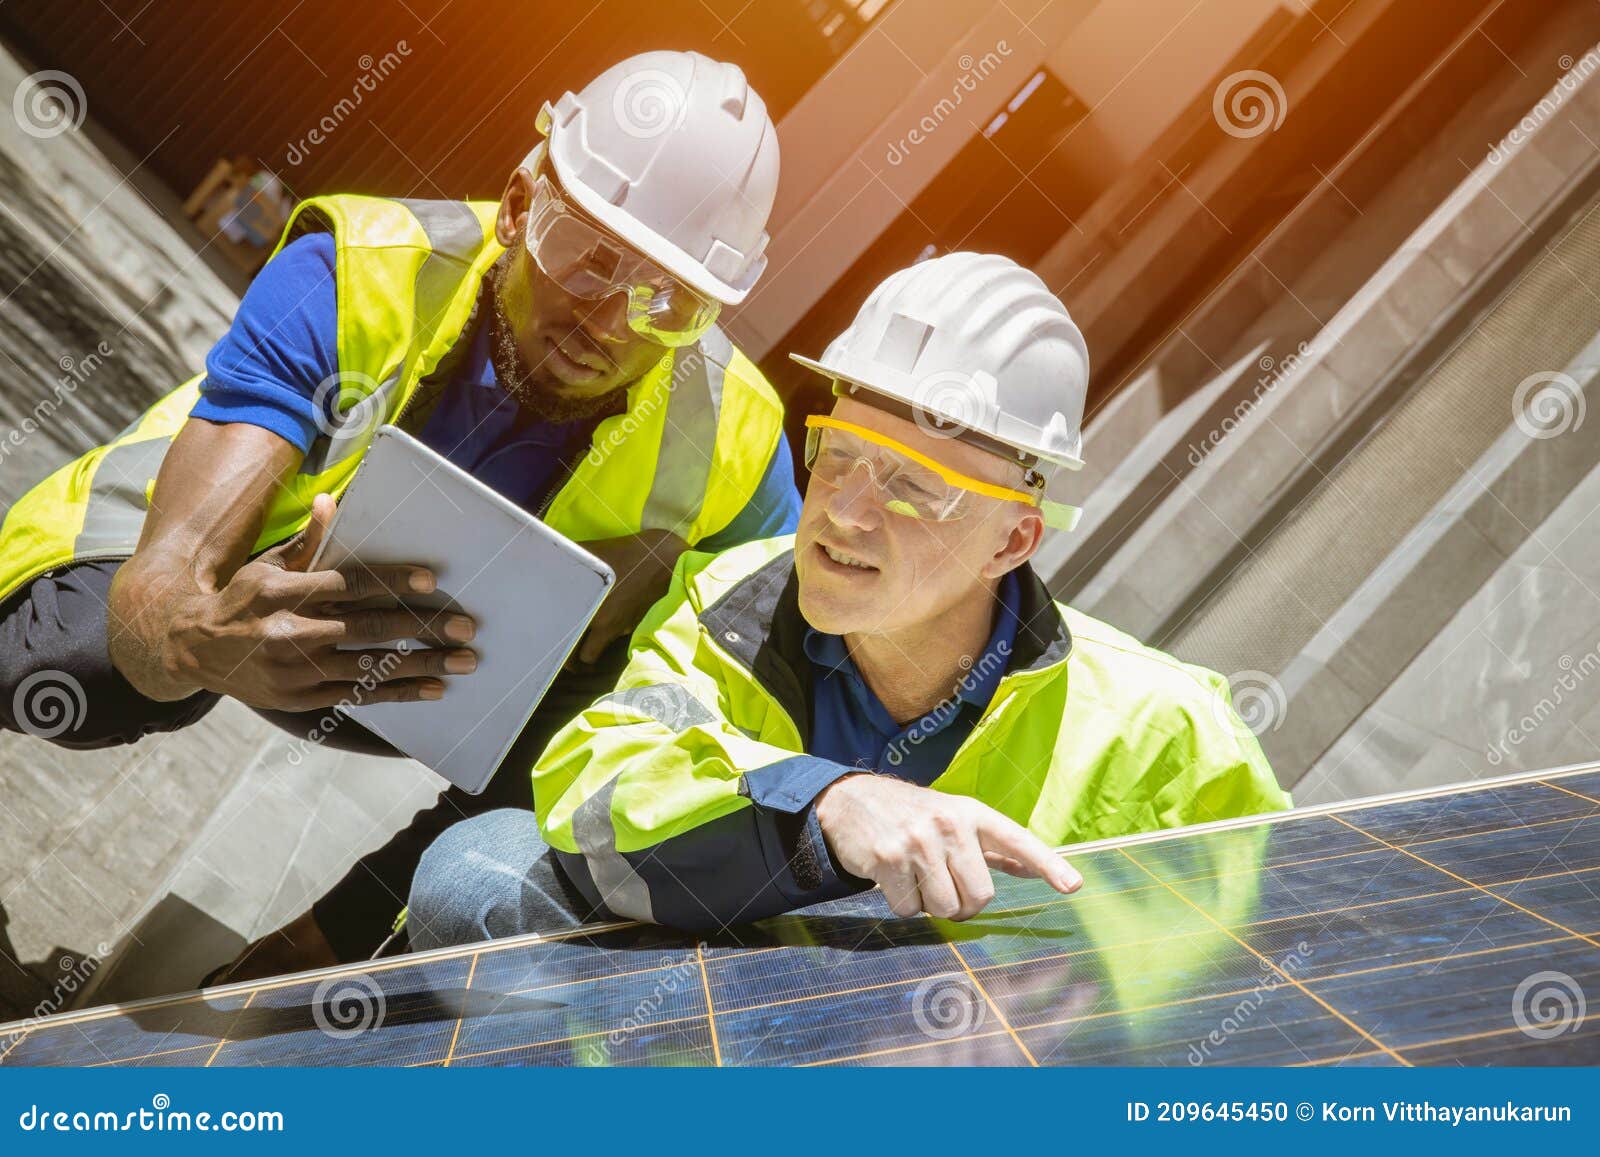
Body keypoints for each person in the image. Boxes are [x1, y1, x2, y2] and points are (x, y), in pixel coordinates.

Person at [0, 51, 795, 976]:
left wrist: (650, 589)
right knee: (82, 668)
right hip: (225, 608)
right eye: (590, 257)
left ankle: (301, 964)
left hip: (437, 697)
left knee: (612, 762)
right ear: (519, 202)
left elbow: (756, 691)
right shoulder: (359, 267)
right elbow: (164, 584)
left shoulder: (735, 441)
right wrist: (199, 642)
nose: (609, 320)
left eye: (670, 301)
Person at [405, 251, 1292, 946]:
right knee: (481, 873)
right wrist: (826, 806)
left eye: (915, 486)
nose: (845, 510)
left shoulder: (1168, 734)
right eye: (837, 453)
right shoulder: (731, 599)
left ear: (1013, 539)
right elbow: (597, 786)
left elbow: (1278, 970)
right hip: (732, 1014)